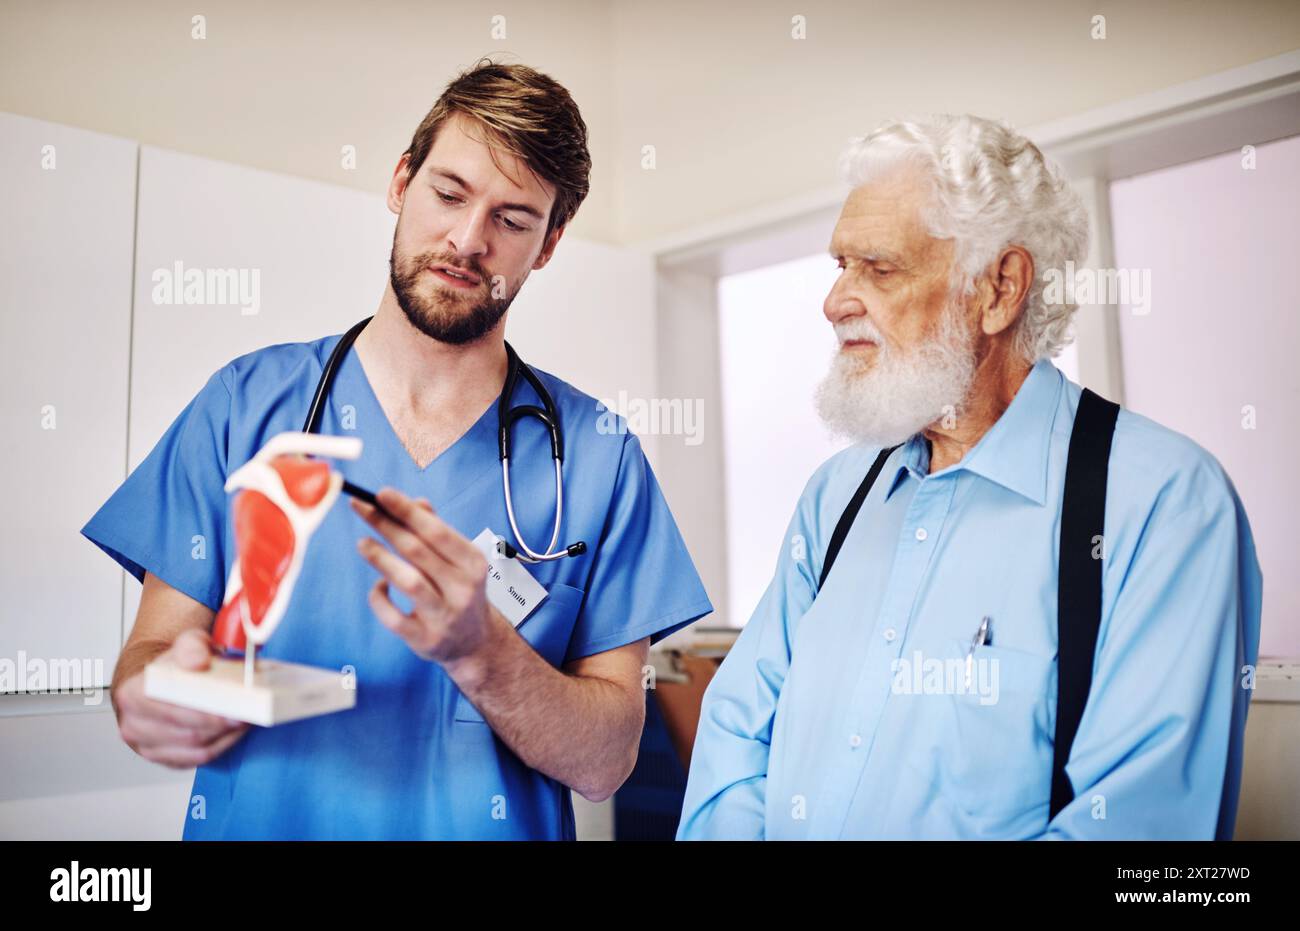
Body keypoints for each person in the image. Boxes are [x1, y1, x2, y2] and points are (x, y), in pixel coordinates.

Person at [82, 59, 712, 840]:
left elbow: (607, 760)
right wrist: (147, 696)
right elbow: (149, 652)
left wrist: (483, 650)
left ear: (547, 246)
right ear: (400, 182)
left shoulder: (596, 456)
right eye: (448, 194)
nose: (467, 240)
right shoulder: (245, 406)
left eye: (513, 220)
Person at [677, 114, 1262, 840]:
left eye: (880, 268)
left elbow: (1140, 823)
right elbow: (736, 735)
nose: (835, 302)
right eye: (841, 266)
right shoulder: (837, 498)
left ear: (998, 289)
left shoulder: (1164, 503)